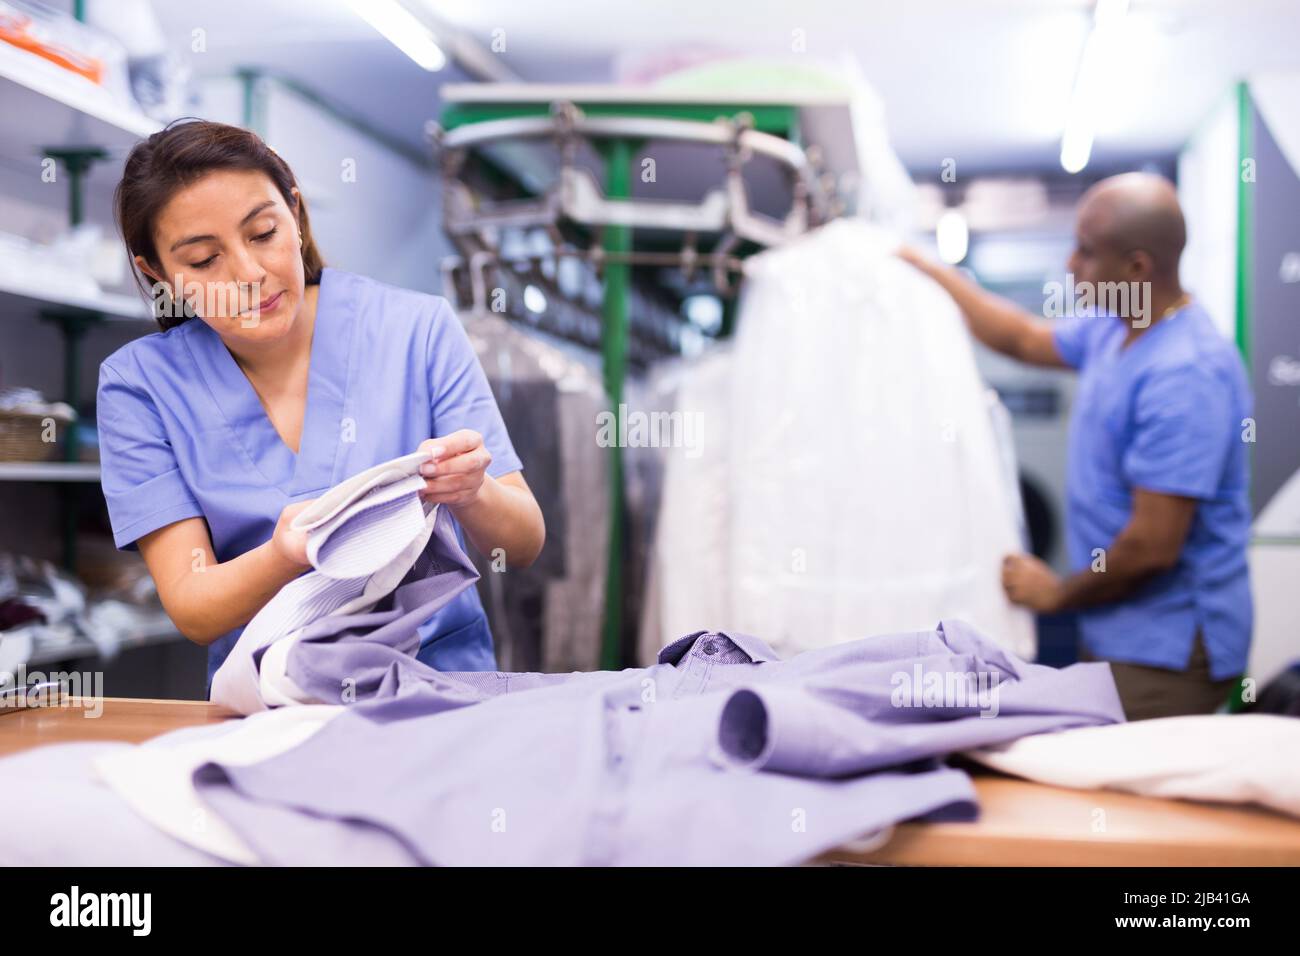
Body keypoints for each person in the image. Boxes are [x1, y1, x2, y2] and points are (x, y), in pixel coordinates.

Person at [99, 118, 545, 696]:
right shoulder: (139, 387)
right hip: (272, 702)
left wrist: (474, 492)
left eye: (263, 233)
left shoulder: (416, 329)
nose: (249, 274)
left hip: (443, 690)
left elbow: (523, 544)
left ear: (296, 213)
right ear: (155, 271)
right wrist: (285, 556)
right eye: (205, 260)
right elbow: (194, 607)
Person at [898, 172, 1252, 721]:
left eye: (1085, 252)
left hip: (1168, 647)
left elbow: (1152, 547)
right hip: (1114, 621)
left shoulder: (1186, 374)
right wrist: (933, 273)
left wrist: (1057, 595)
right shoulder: (1116, 325)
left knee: (1121, 789)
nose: (1069, 265)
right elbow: (1022, 337)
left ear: (1136, 268)